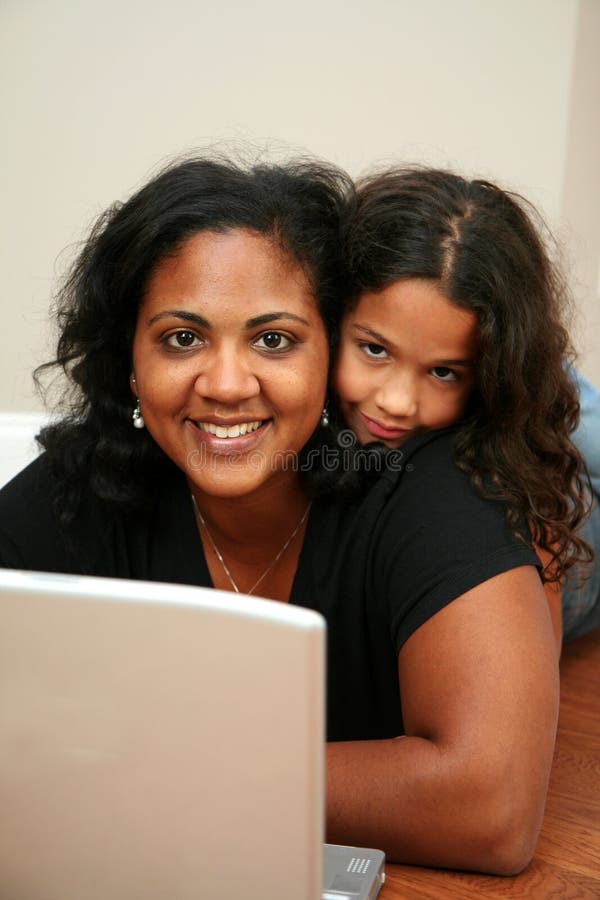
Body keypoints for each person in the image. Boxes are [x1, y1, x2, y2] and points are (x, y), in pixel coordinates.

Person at [0, 154, 559, 874]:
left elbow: (491, 811)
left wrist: (150, 768)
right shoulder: (83, 481)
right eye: (182, 337)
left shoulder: (428, 474)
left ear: (325, 347)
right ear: (129, 360)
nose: (228, 384)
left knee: (558, 523)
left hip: (556, 512)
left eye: (273, 339)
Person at [334, 165, 597, 647]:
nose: (395, 402)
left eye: (442, 372)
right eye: (374, 349)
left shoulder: (517, 469)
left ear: (486, 378)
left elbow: (534, 669)